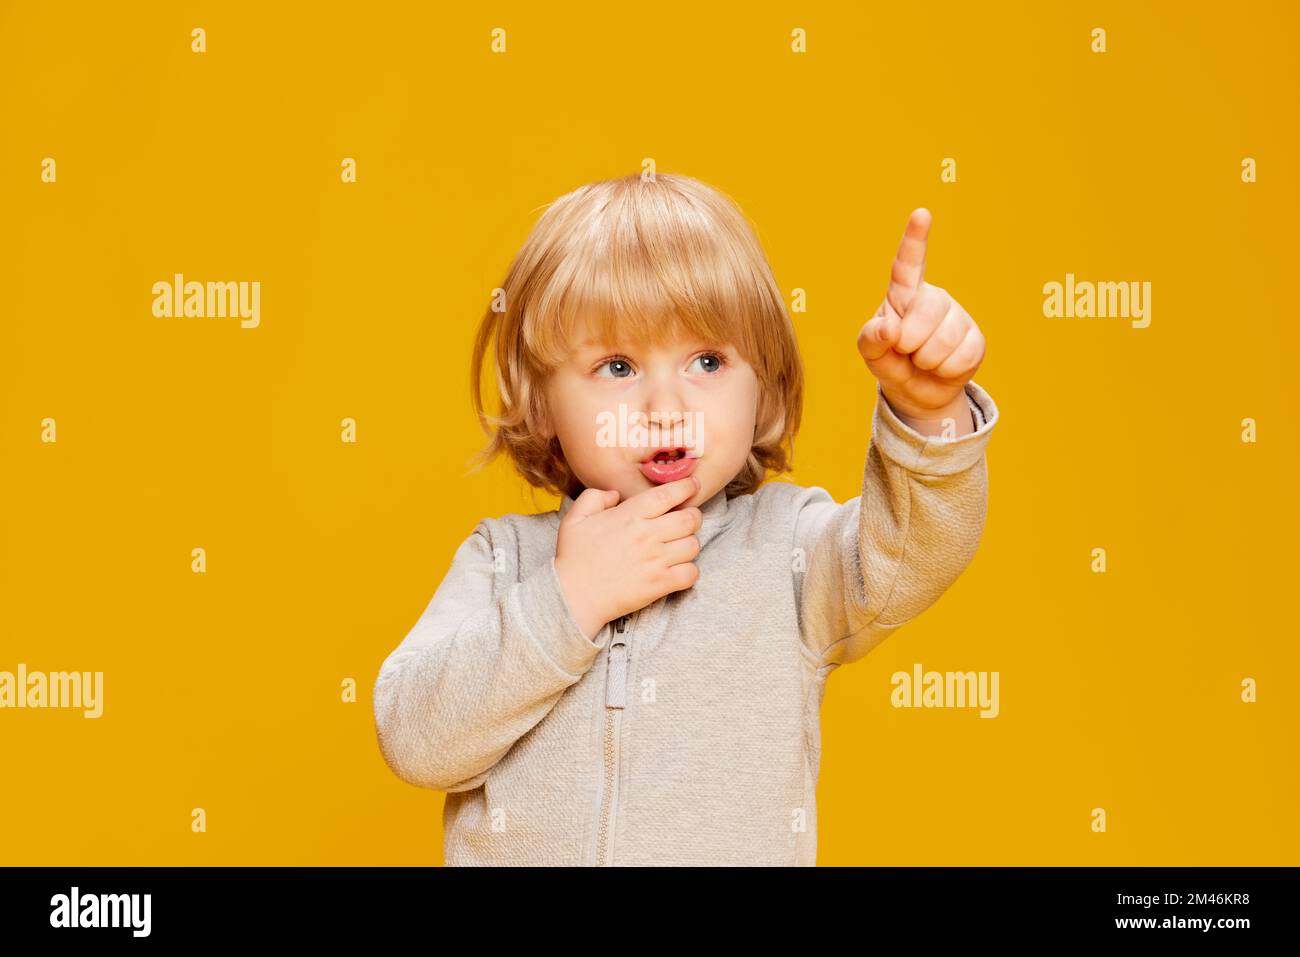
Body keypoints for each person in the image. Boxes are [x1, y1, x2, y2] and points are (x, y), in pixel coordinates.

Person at [372, 172, 999, 865]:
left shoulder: (789, 552)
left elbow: (914, 555)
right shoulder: (505, 561)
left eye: (707, 360)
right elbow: (415, 738)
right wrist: (567, 599)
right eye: (617, 366)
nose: (666, 404)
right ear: (544, 404)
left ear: (762, 386)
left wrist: (930, 412)